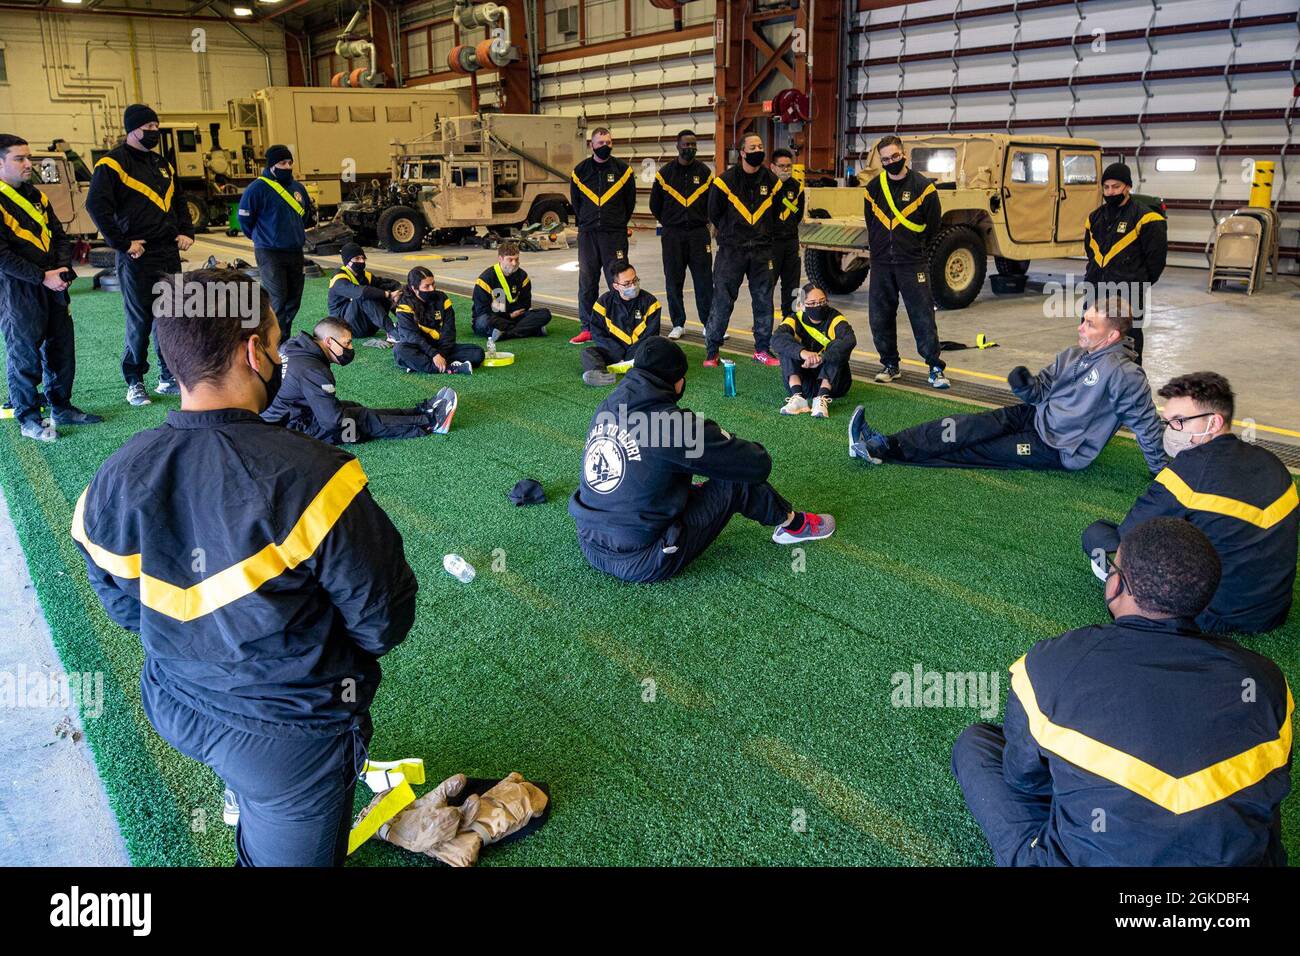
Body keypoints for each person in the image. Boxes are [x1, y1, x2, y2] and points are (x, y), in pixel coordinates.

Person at [71, 268, 420, 866]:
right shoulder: (316, 477)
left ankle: (240, 788)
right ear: (255, 351)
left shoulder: (110, 479)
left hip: (172, 700)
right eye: (278, 338)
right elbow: (381, 622)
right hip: (284, 740)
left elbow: (125, 608)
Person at [952, 517, 1292, 866]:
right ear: (1203, 603)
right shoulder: (1266, 681)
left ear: (1116, 585)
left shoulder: (1050, 664)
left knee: (976, 744)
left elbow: (1023, 780)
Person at [569, 338, 835, 583]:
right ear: (678, 382)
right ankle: (793, 524)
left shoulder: (608, 405)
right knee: (735, 480)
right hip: (642, 558)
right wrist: (715, 439)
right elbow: (757, 464)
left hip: (589, 543)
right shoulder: (674, 427)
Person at [1082, 372, 1297, 634]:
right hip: (1272, 611)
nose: (1172, 430)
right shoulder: (1273, 464)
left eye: (1180, 422)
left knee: (1097, 534)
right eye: (1169, 422)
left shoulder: (1186, 473)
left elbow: (1128, 536)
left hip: (1206, 614)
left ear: (1215, 422)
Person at [850, 304, 1166, 473]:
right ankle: (883, 444)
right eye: (1083, 320)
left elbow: (1147, 424)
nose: (1080, 328)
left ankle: (886, 453)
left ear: (1111, 337)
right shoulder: (1073, 354)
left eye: (1090, 325)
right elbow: (1040, 392)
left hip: (1059, 448)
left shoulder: (1126, 375)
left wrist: (1162, 471)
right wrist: (1026, 387)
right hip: (1036, 416)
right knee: (966, 426)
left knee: (977, 450)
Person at [86, 103, 195, 407]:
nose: (154, 133)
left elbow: (180, 201)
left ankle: (168, 376)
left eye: (156, 128)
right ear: (131, 129)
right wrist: (122, 243)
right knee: (141, 320)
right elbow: (96, 206)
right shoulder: (112, 164)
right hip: (137, 256)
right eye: (148, 129)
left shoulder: (162, 163)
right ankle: (135, 381)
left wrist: (187, 231)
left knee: (171, 317)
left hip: (168, 252)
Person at [0, 133, 102, 441]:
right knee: (25, 356)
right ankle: (29, 418)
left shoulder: (37, 196)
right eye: (19, 158)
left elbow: (59, 235)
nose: (28, 164)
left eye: (28, 157)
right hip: (19, 291)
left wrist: (62, 270)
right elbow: (2, 256)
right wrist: (43, 276)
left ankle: (61, 406)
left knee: (61, 351)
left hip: (54, 285)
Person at [264, 315, 458, 443]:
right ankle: (430, 422)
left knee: (353, 407)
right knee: (359, 419)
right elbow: (332, 422)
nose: (350, 348)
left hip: (285, 420)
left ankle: (419, 412)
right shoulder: (313, 370)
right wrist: (357, 433)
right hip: (290, 432)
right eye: (347, 343)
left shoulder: (295, 346)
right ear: (329, 341)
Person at [863, 135, 948, 389]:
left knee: (922, 317)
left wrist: (914, 248)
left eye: (895, 157)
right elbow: (871, 223)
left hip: (912, 263)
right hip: (881, 264)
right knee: (879, 317)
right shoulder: (873, 188)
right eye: (885, 159)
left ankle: (935, 367)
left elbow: (933, 227)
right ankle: (890, 364)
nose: (891, 162)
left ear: (904, 154)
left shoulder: (924, 188)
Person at [704, 132, 783, 368]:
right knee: (722, 300)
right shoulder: (724, 181)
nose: (758, 149)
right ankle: (712, 351)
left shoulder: (772, 182)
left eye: (761, 145)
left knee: (763, 300)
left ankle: (762, 349)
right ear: (742, 152)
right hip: (731, 251)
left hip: (762, 251)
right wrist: (732, 233)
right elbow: (714, 213)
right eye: (753, 146)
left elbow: (776, 214)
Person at [1082, 162, 1166, 363]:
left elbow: (1156, 260)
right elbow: (1090, 253)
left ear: (1127, 187)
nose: (1110, 192)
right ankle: (1092, 382)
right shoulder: (1094, 218)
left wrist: (1137, 282)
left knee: (1128, 339)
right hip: (1096, 288)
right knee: (1091, 335)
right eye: (1107, 187)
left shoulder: (1147, 218)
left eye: (1116, 187)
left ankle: (1130, 385)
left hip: (1127, 291)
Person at [568, 126, 636, 345]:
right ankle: (587, 327)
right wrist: (589, 222)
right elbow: (576, 203)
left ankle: (622, 324)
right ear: (591, 145)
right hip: (588, 235)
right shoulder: (580, 172)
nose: (604, 147)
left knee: (619, 281)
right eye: (600, 143)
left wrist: (615, 222)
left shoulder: (623, 171)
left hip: (614, 235)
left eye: (608, 143)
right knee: (587, 281)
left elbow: (629, 203)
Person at [238, 144, 311, 340]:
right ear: (271, 165)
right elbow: (245, 221)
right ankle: (274, 342)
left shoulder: (298, 188)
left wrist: (293, 234)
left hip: (295, 251)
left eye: (289, 163)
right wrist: (263, 237)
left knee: (294, 299)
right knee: (277, 299)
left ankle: (282, 337)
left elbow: (305, 216)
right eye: (282, 163)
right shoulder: (257, 189)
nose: (287, 167)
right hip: (269, 252)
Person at [648, 129, 713, 340]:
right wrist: (670, 222)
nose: (690, 149)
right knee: (673, 280)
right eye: (686, 145)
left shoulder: (704, 173)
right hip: (672, 235)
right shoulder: (664, 174)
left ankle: (708, 323)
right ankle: (678, 323)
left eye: (693, 145)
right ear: (677, 146)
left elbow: (713, 204)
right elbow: (654, 205)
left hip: (698, 234)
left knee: (704, 280)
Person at [770, 283, 856, 419]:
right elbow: (776, 339)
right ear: (803, 305)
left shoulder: (835, 318)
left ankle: (821, 398)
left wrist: (822, 357)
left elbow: (849, 340)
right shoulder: (795, 319)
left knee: (838, 346)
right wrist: (802, 353)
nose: (818, 306)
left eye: (822, 302)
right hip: (804, 383)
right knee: (786, 344)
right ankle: (798, 398)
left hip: (835, 384)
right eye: (812, 303)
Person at [579, 263, 662, 388]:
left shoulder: (651, 302)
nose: (633, 286)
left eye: (635, 280)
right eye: (627, 283)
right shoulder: (603, 303)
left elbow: (651, 334)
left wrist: (630, 357)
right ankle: (598, 374)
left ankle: (630, 367)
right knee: (588, 352)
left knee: (660, 348)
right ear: (616, 286)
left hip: (639, 351)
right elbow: (598, 333)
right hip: (613, 351)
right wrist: (617, 355)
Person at [394, 267, 484, 375]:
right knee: (400, 350)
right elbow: (412, 337)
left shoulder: (442, 299)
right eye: (427, 286)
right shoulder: (404, 305)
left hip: (440, 347)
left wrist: (440, 354)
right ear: (414, 288)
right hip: (418, 347)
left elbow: (449, 331)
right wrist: (434, 355)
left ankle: (420, 365)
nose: (432, 289)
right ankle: (450, 368)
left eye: (433, 284)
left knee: (477, 353)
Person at [470, 240, 552, 343]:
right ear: (500, 259)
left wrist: (513, 315)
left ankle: (505, 334)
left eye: (516, 259)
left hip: (515, 316)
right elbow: (482, 310)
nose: (514, 263)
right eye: (510, 260)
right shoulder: (486, 279)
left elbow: (526, 303)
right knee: (483, 321)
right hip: (494, 318)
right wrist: (508, 315)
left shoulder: (522, 276)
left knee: (545, 314)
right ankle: (531, 329)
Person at [327, 243, 401, 346]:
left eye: (363, 258)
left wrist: (399, 291)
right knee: (365, 295)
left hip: (369, 327)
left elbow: (390, 284)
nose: (361, 261)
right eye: (357, 258)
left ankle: (407, 323)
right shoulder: (338, 278)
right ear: (347, 262)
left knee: (386, 290)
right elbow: (361, 292)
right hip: (347, 328)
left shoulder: (365, 275)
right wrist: (388, 294)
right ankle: (393, 333)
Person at [769, 148, 805, 323]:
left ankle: (791, 321)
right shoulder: (766, 185)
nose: (785, 170)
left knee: (793, 286)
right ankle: (763, 321)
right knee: (766, 285)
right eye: (781, 166)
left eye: (788, 166)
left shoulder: (797, 187)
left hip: (791, 242)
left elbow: (798, 215)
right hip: (770, 243)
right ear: (772, 167)